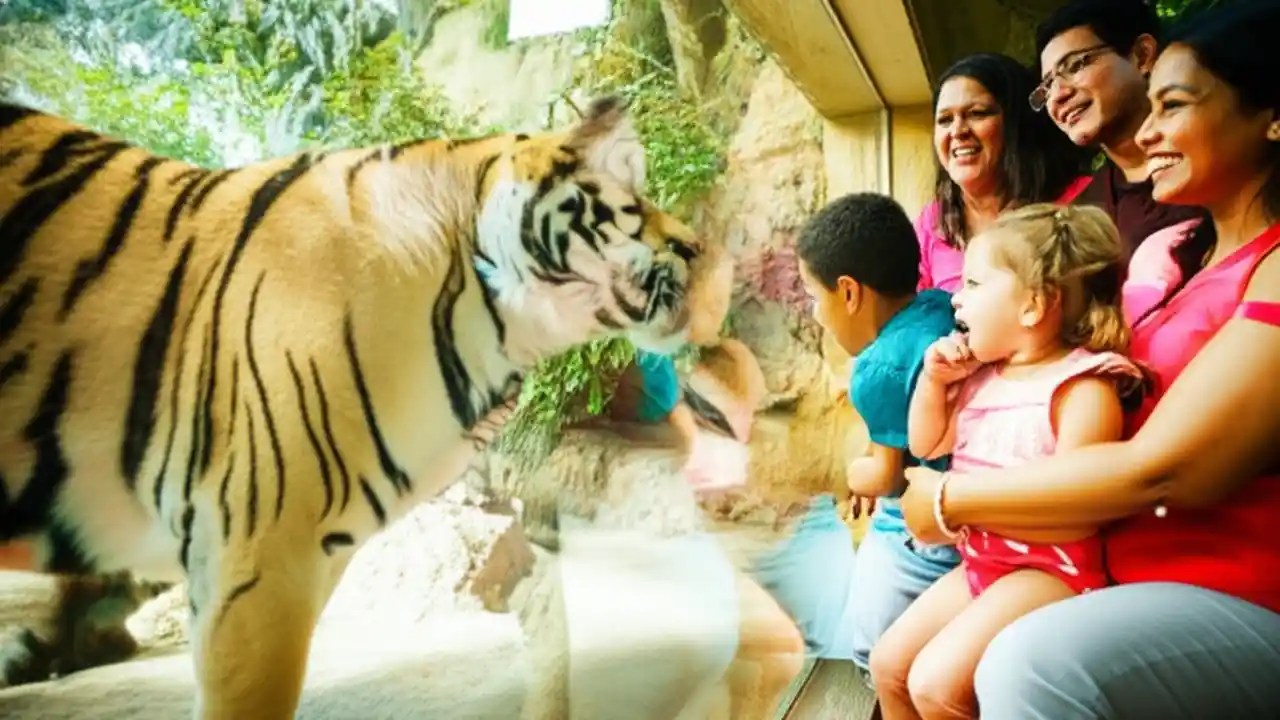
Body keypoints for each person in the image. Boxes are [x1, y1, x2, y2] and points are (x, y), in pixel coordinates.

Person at [899, 3, 1280, 717]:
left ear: (1271, 114)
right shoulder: (1176, 253)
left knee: (1028, 666)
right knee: (910, 660)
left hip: (1236, 586)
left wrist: (950, 499)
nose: (1151, 131)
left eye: (1174, 105)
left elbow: (1167, 469)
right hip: (1126, 573)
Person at [870, 204, 1143, 719]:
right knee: (890, 664)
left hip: (1050, 570)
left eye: (973, 284)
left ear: (1033, 305)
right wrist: (934, 383)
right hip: (986, 563)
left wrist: (959, 509)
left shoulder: (1081, 386)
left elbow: (1079, 508)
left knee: (936, 685)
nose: (956, 297)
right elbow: (925, 444)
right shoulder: (982, 377)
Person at [753, 192, 959, 670]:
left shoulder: (875, 369)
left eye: (812, 296)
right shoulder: (937, 307)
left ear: (848, 292)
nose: (814, 313)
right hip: (963, 502)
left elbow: (884, 478)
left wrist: (851, 473)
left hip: (933, 539)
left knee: (868, 650)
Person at [1032, 0, 1204, 259]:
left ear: (1142, 55)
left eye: (1076, 66)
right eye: (1047, 87)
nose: (1058, 96)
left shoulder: (1220, 159)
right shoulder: (1083, 217)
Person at [917, 52, 1092, 292]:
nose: (957, 131)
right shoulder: (932, 223)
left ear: (1017, 123)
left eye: (977, 113)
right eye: (945, 120)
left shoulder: (1083, 200)